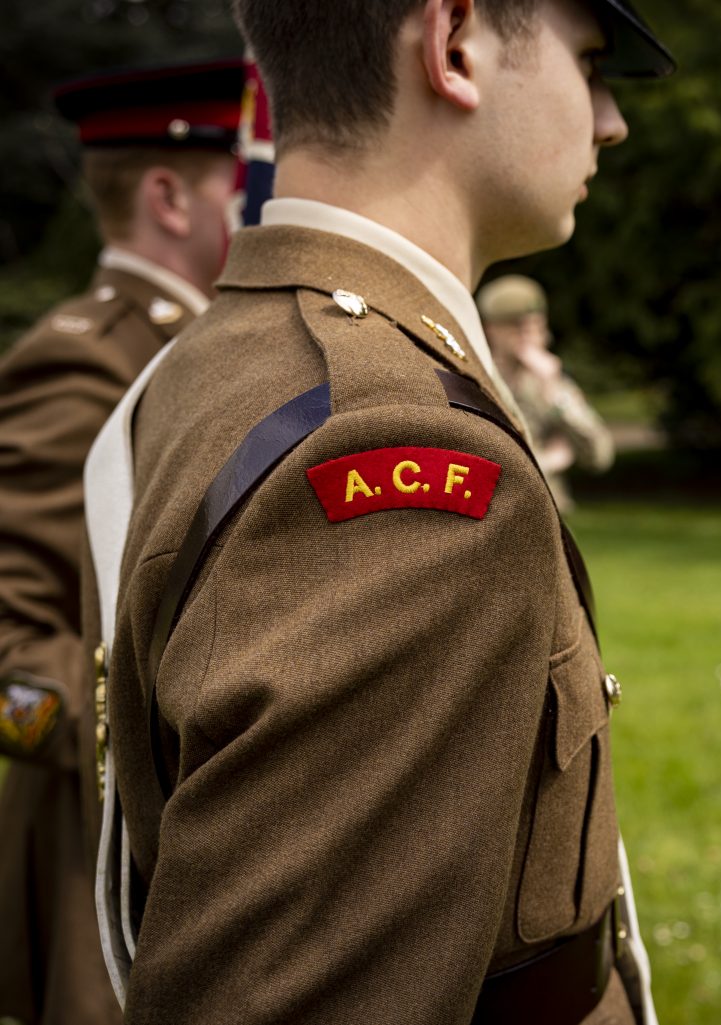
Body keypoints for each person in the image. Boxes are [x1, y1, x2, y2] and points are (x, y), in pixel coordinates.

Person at [82, 2, 672, 1023]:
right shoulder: (399, 451)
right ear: (453, 44)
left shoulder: (224, 352)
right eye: (591, 62)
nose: (612, 118)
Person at [0, 58, 245, 1025]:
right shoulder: (87, 358)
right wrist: (163, 742)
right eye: (247, 183)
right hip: (99, 848)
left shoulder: (196, 349)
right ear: (168, 199)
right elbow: (9, 648)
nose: (270, 205)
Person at [479, 273, 615, 509]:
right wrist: (548, 462)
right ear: (491, 329)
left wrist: (554, 393)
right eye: (518, 326)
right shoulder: (480, 382)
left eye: (536, 325)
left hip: (549, 517)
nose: (530, 335)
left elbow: (598, 455)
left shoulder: (549, 381)